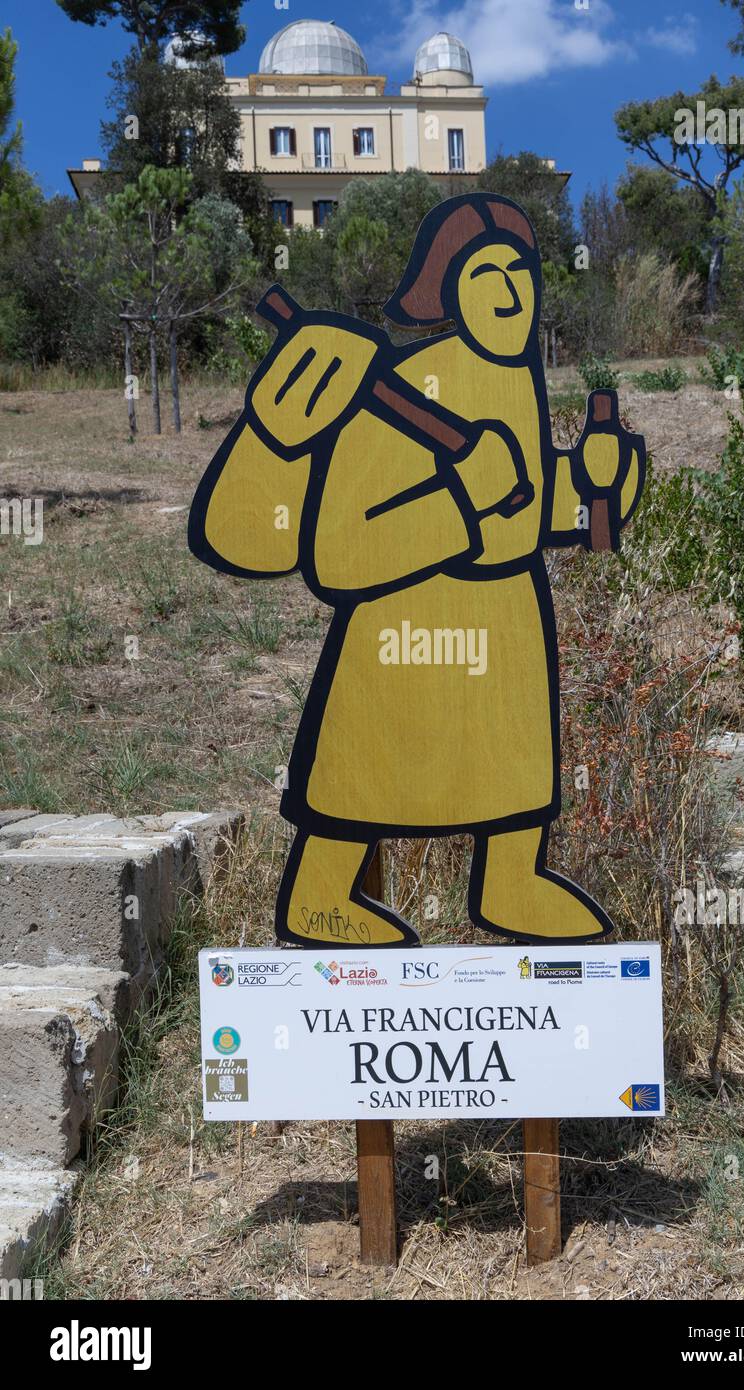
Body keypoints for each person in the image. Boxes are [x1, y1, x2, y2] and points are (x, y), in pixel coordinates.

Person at [189, 193, 645, 947]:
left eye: (520, 272)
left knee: (512, 759)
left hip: (506, 617)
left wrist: (598, 488)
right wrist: (461, 496)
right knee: (369, 765)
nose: (508, 293)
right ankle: (321, 892)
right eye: (486, 273)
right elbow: (337, 551)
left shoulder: (520, 378)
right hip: (407, 619)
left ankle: (508, 881)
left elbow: (526, 507)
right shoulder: (402, 387)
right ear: (452, 293)